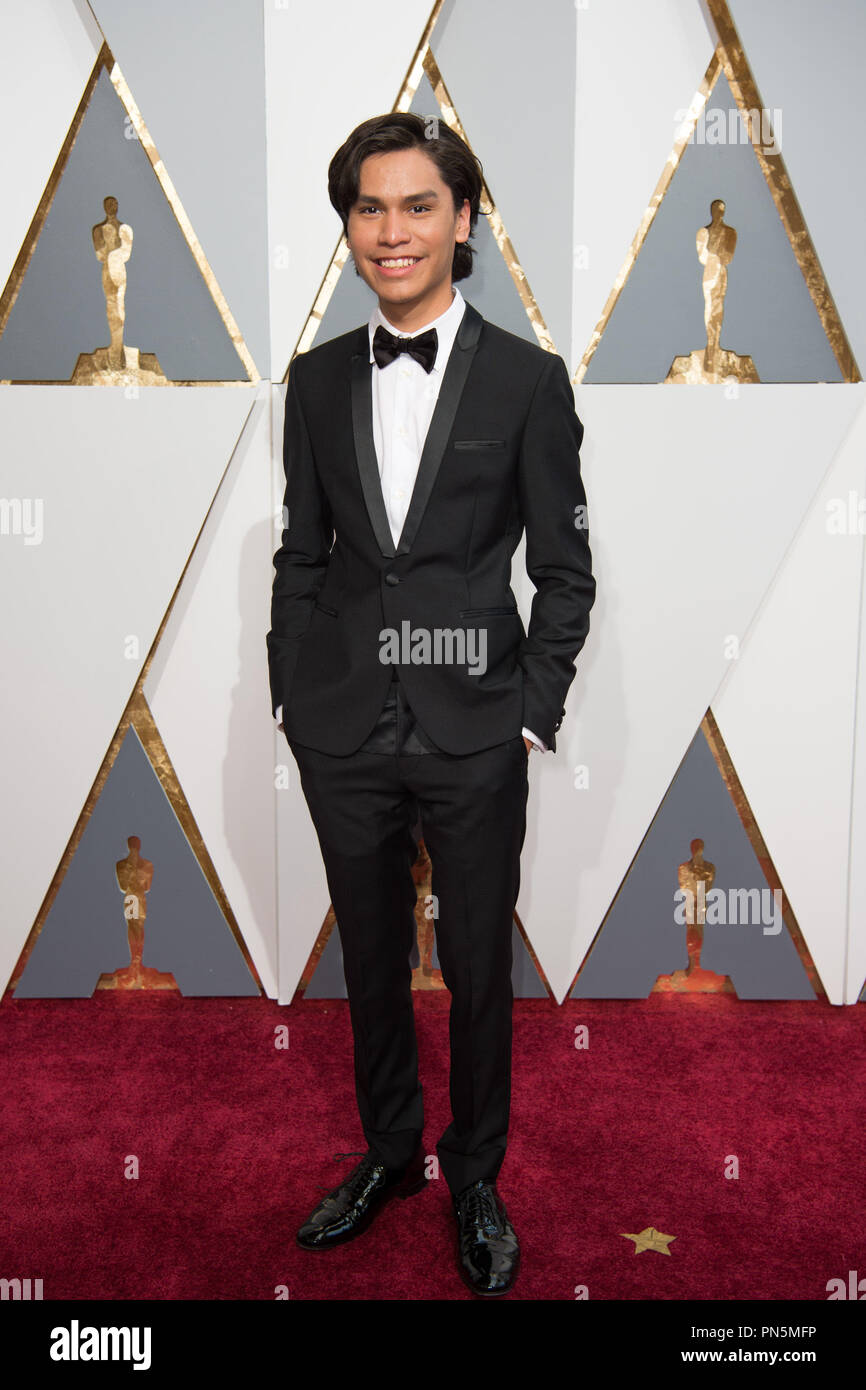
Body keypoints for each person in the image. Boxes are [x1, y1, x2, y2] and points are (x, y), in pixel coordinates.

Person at [267, 112, 596, 1297]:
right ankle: (388, 1155)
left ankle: (473, 1177)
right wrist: (291, 694)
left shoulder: (525, 378)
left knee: (473, 963)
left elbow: (565, 571)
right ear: (346, 227)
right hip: (343, 723)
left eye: (417, 205)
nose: (391, 230)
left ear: (464, 219)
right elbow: (302, 553)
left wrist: (529, 708)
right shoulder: (308, 383)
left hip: (472, 726)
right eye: (368, 206)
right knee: (366, 958)